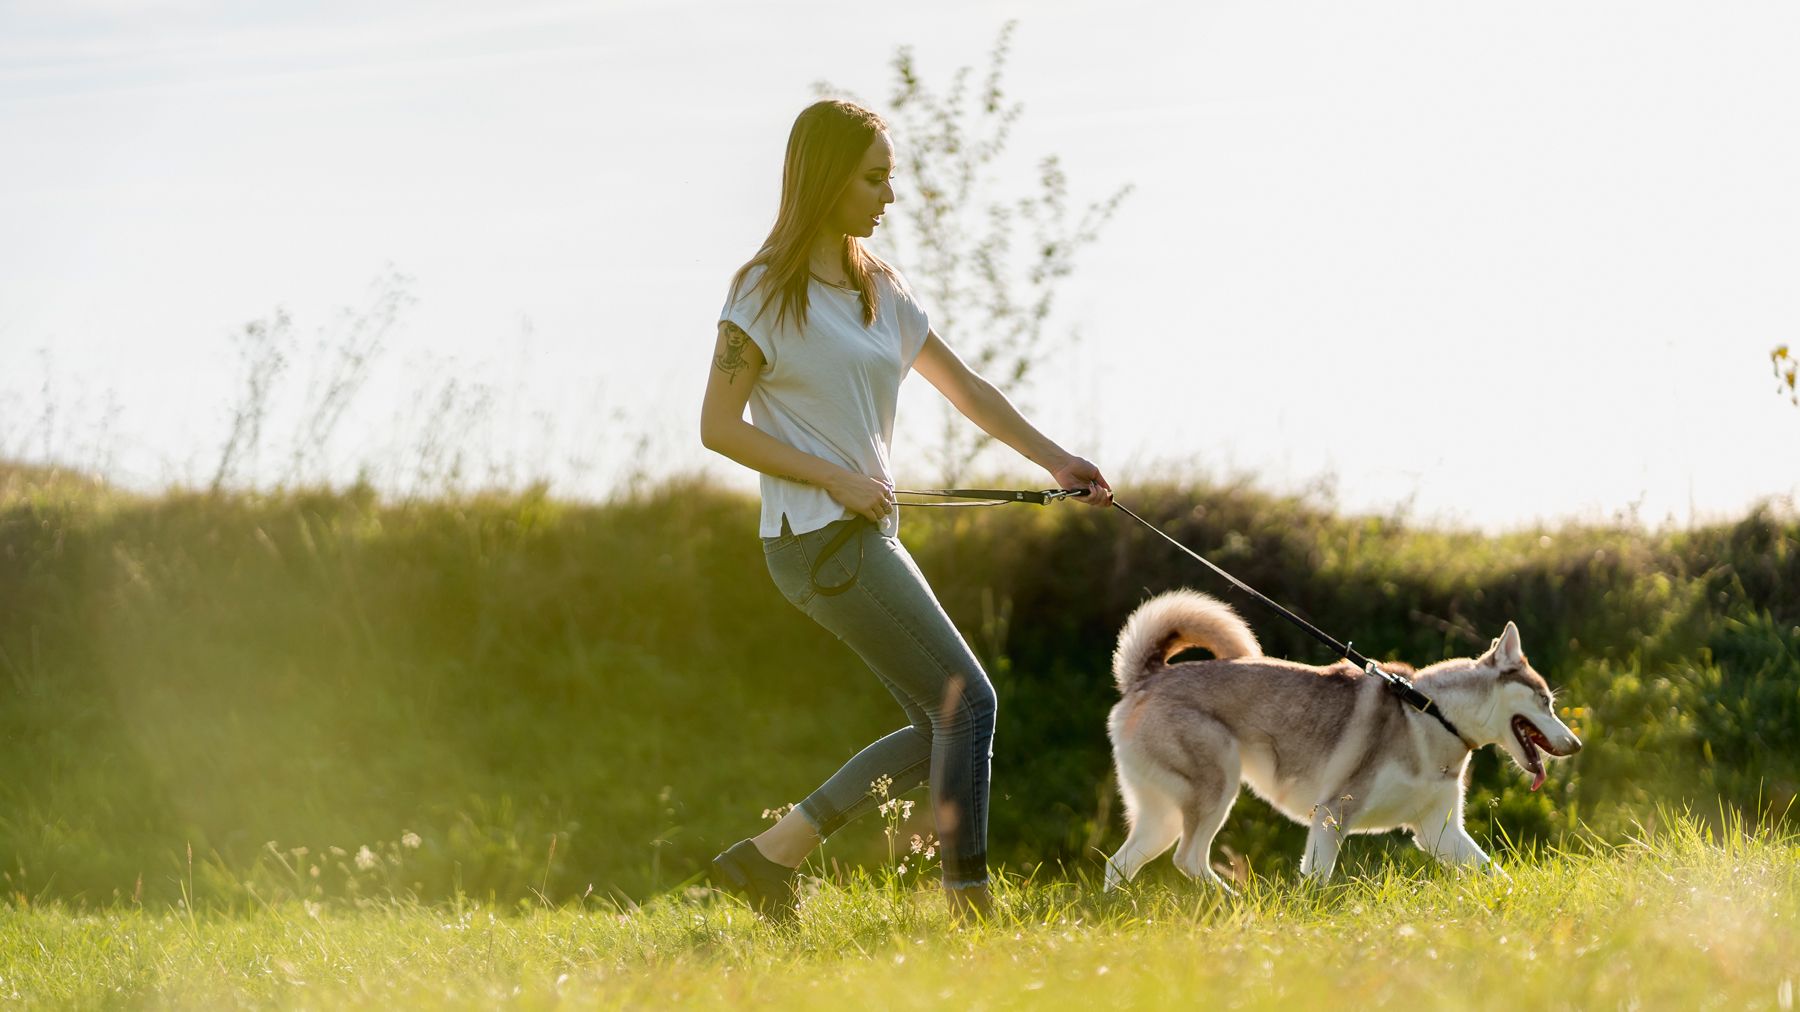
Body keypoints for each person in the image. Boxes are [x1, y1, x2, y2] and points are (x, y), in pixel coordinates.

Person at [699, 99, 1112, 924]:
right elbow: (717, 427)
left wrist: (1055, 460)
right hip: (816, 539)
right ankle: (971, 906)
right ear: (826, 179)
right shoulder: (763, 290)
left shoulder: (881, 288)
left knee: (938, 724)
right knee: (970, 704)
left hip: (862, 534)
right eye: (874, 178)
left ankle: (768, 859)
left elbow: (968, 391)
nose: (889, 195)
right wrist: (836, 478)